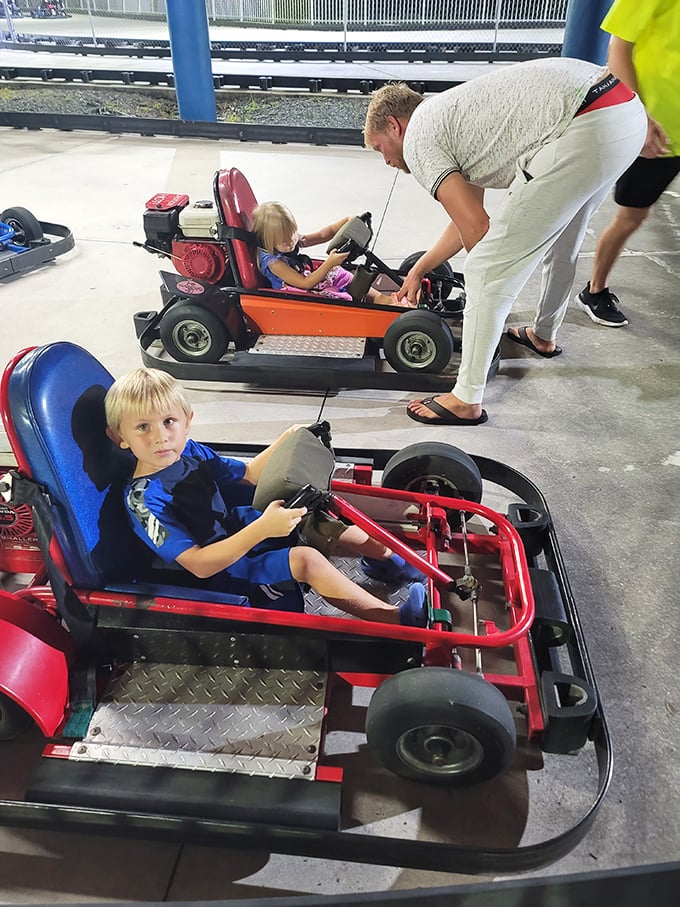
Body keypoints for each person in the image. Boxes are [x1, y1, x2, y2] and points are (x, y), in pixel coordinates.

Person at [363, 57, 647, 425]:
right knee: (564, 238)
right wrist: (420, 269)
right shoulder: (448, 117)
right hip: (623, 112)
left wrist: (486, 291)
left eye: (379, 148)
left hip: (585, 123)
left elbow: (478, 231)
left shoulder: (418, 139)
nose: (386, 160)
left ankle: (465, 399)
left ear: (394, 125)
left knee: (484, 268)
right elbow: (468, 218)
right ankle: (542, 335)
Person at [103, 367, 427, 626]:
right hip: (218, 574)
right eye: (143, 427)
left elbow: (248, 473)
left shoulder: (190, 452)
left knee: (311, 515)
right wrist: (262, 529)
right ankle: (398, 619)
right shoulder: (142, 500)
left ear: (187, 422)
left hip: (233, 529)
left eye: (168, 421)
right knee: (307, 560)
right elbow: (199, 566)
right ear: (119, 438)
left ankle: (393, 562)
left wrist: (286, 439)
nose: (160, 436)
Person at [575, 0, 680, 327]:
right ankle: (594, 290)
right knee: (632, 215)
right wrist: (639, 117)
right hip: (659, 135)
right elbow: (618, 46)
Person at [250, 201, 412, 306]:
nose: (292, 241)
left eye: (292, 234)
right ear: (268, 241)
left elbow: (322, 234)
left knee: (340, 274)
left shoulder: (288, 239)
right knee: (334, 286)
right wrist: (329, 263)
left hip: (306, 278)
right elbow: (304, 283)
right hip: (297, 292)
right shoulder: (274, 263)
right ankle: (373, 306)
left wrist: (346, 221)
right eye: (284, 241)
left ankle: (382, 299)